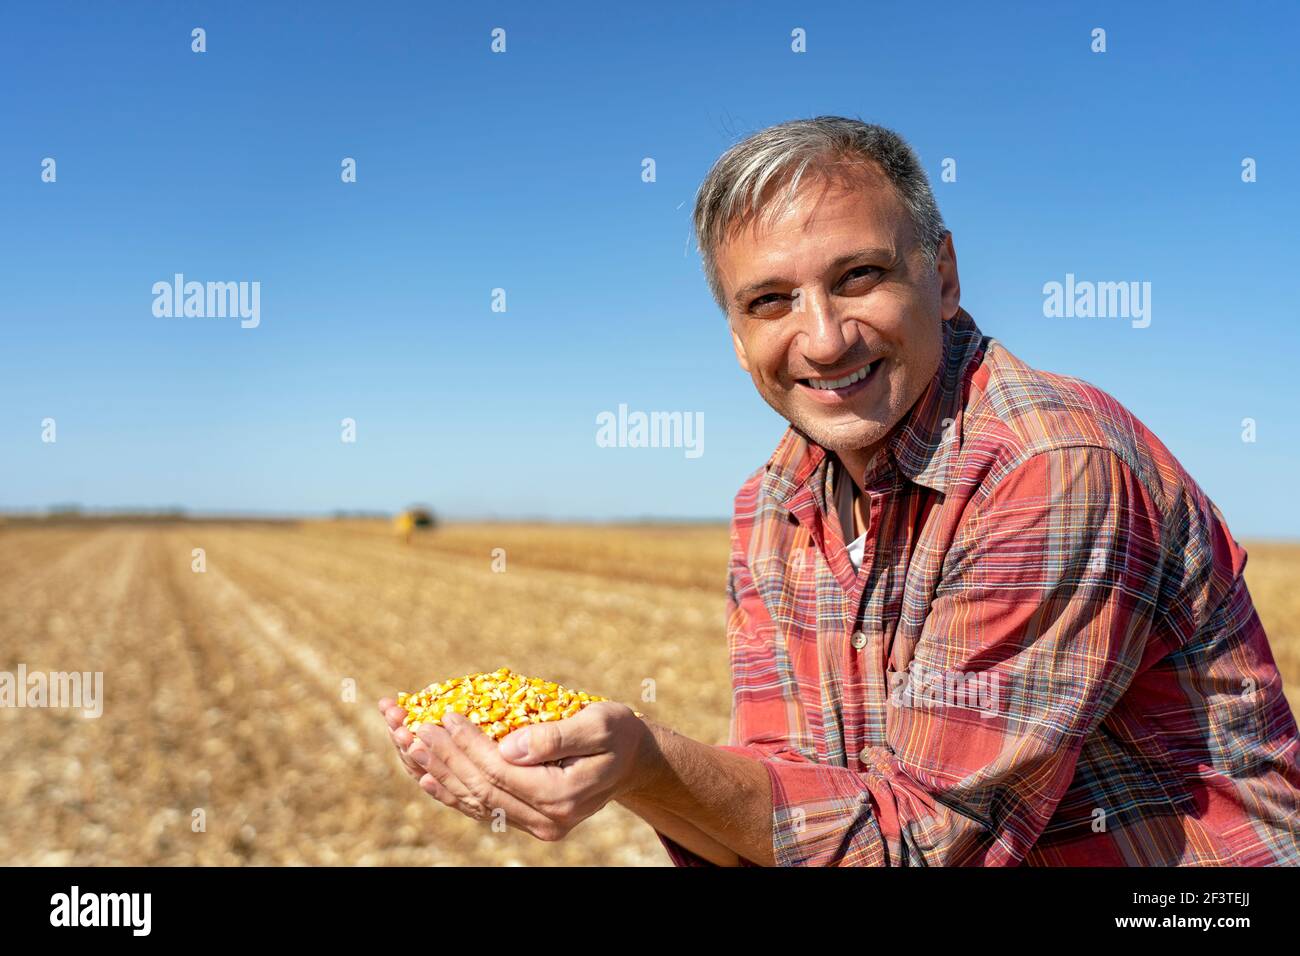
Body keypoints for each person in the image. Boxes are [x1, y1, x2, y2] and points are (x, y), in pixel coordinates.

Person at [380, 117, 1300, 866]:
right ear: (735, 337)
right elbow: (794, 791)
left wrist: (647, 763)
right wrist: (622, 772)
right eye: (770, 302)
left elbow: (932, 841)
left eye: (858, 277)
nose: (822, 340)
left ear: (942, 275)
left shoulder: (1048, 467)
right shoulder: (773, 500)